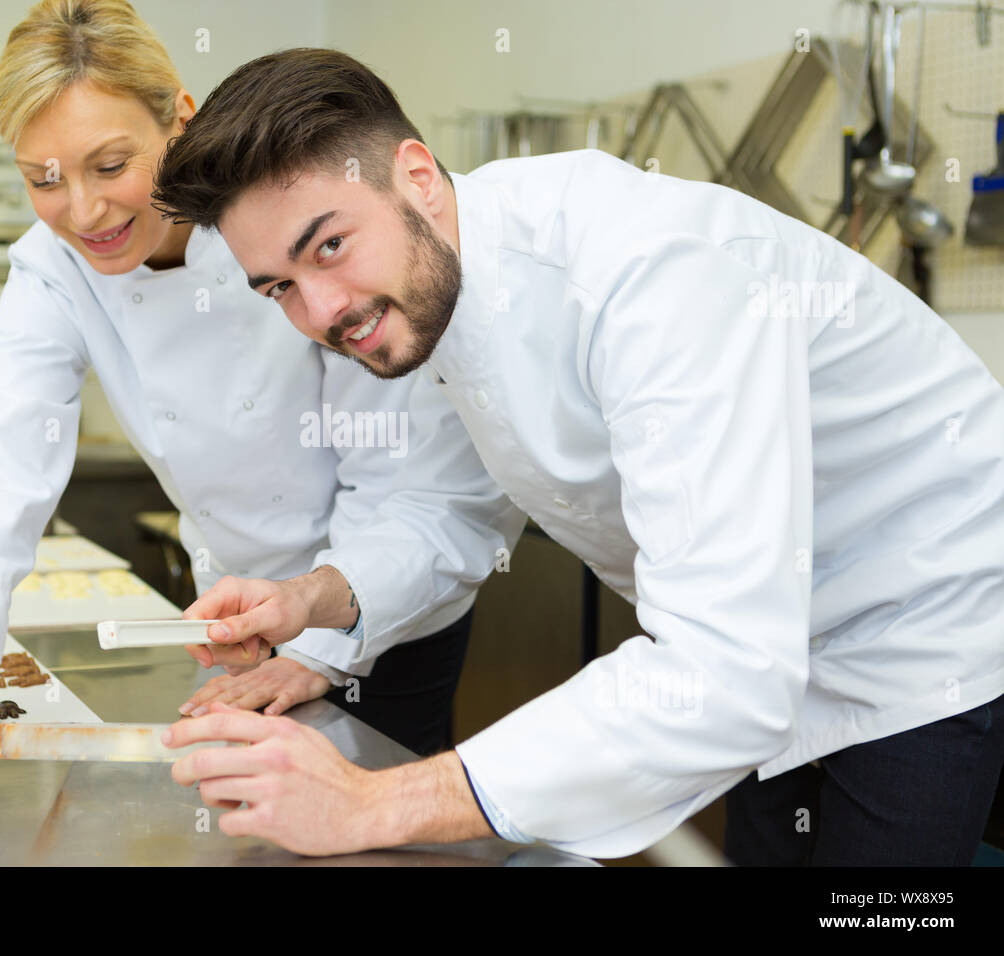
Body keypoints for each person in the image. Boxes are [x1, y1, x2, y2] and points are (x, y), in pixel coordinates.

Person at [151, 48, 1004, 864]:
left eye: (328, 246)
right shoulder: (430, 292)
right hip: (773, 637)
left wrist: (376, 803)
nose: (322, 310)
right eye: (281, 289)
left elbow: (722, 669)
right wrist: (308, 601)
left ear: (415, 176)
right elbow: (448, 511)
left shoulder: (645, 275)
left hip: (922, 613)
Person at [0, 5, 523, 862]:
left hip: (385, 613)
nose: (83, 210)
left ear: (181, 119)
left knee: (369, 843)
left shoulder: (282, 233)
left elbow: (402, 488)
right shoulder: (52, 271)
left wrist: (315, 643)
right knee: (246, 838)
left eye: (112, 164)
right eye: (44, 177)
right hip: (238, 623)